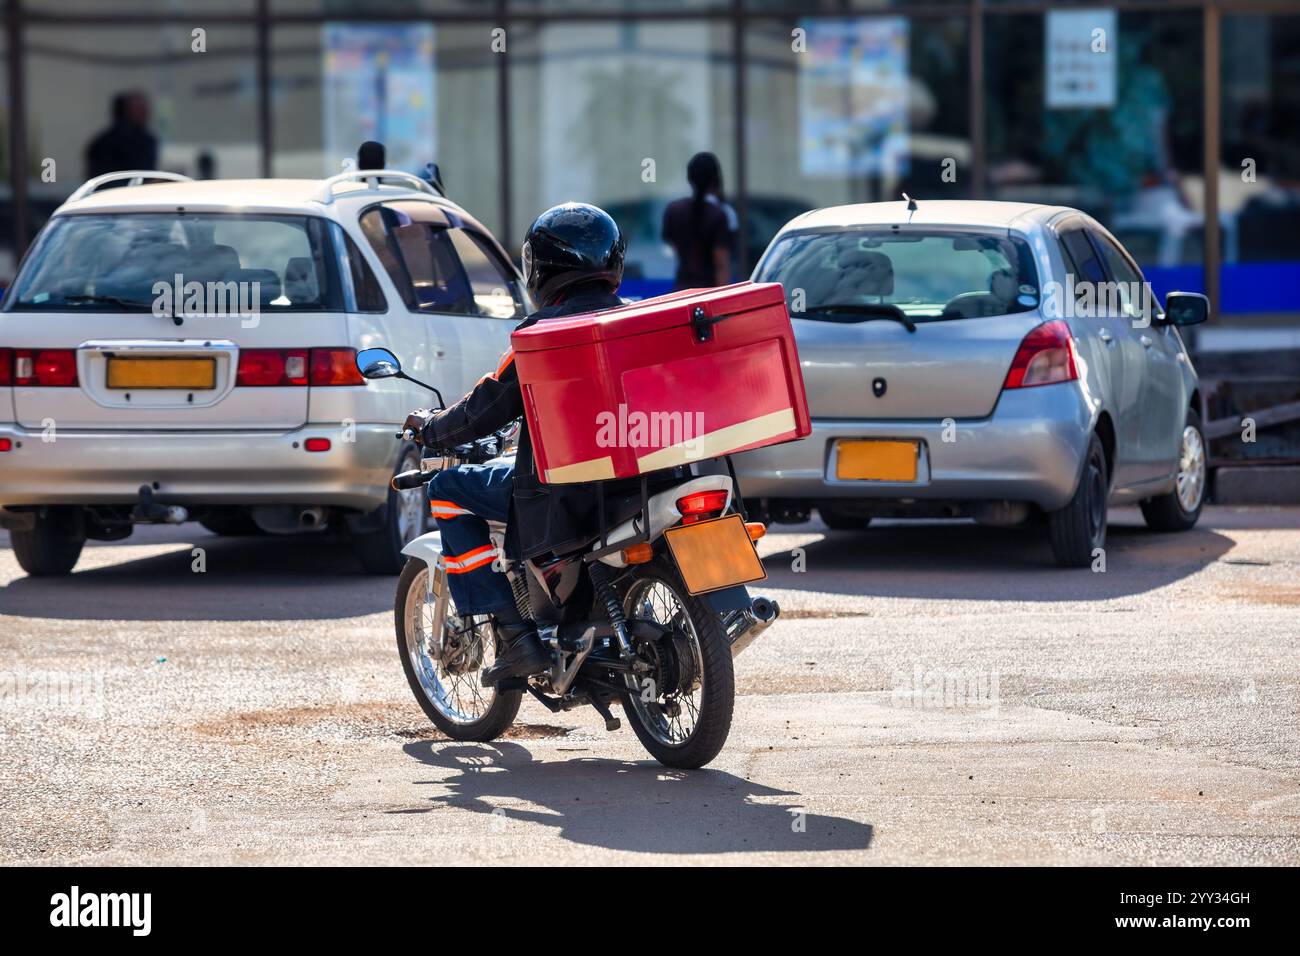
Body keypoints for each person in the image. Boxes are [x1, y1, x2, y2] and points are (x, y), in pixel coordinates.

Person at [403, 203, 626, 687]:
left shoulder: (539, 337)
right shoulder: (643, 323)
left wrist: (433, 428)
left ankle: (517, 637)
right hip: (637, 479)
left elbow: (486, 406)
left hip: (563, 493)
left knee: (447, 488)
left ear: (540, 269)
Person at [661, 151, 738, 290]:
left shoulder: (674, 210)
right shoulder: (722, 214)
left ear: (689, 178)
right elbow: (721, 264)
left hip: (680, 292)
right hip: (709, 297)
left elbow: (675, 250)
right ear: (716, 179)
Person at [85, 91, 159, 179]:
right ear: (124, 112)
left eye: (144, 109)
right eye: (138, 109)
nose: (144, 113)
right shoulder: (105, 143)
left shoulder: (148, 140)